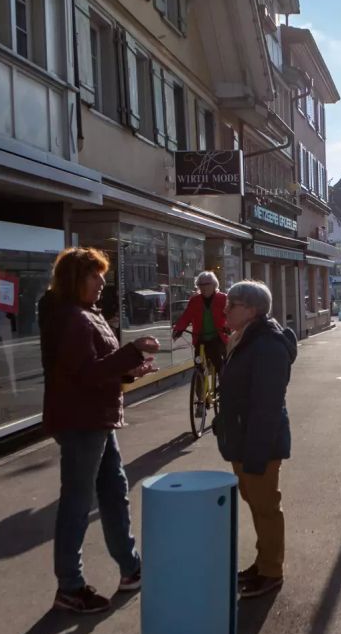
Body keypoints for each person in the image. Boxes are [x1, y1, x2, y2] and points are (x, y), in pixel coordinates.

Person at [38, 248, 159, 614]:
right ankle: (70, 587)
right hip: (83, 421)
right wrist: (133, 352)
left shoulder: (83, 314)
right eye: (96, 276)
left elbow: (95, 369)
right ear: (77, 278)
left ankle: (131, 567)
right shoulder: (74, 318)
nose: (103, 283)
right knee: (78, 502)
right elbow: (86, 373)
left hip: (96, 417)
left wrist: (128, 370)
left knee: (113, 491)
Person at [216, 281, 296, 598]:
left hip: (259, 442)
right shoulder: (246, 338)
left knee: (266, 507)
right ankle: (263, 564)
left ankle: (271, 571)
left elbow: (267, 406)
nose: (224, 310)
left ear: (250, 309)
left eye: (230, 305)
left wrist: (256, 453)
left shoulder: (267, 345)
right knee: (256, 503)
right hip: (244, 438)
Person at [172, 271, 228, 374]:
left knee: (219, 363)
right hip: (200, 337)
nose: (204, 287)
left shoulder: (223, 298)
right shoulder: (195, 300)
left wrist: (228, 327)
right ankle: (199, 386)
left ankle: (224, 386)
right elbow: (186, 316)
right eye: (201, 285)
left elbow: (230, 315)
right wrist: (179, 329)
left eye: (207, 284)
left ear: (214, 285)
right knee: (198, 364)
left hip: (217, 336)